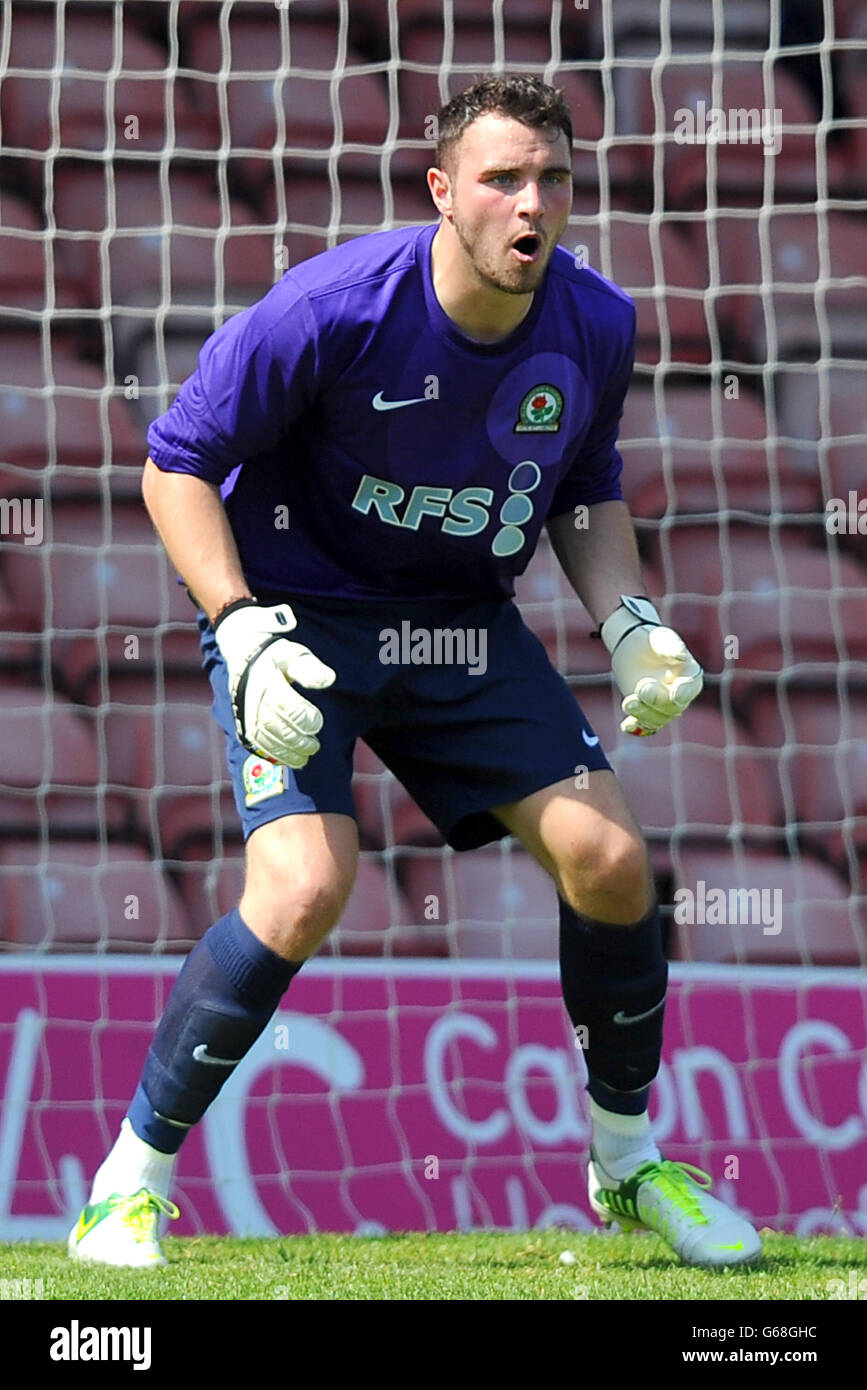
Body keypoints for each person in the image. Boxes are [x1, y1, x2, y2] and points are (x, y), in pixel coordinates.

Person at [68, 75, 761, 1270]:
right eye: (501, 178)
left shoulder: (598, 321)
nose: (529, 203)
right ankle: (124, 1186)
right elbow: (175, 462)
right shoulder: (333, 307)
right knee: (302, 886)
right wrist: (238, 629)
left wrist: (633, 620)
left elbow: (585, 484)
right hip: (297, 617)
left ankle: (630, 1161)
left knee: (610, 860)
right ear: (443, 192)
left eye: (551, 178)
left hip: (455, 624)